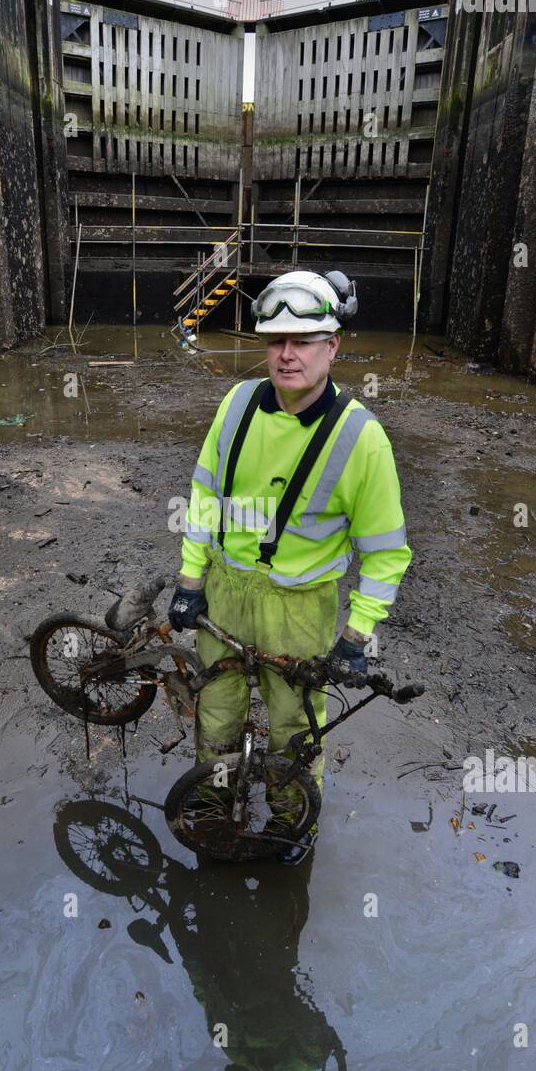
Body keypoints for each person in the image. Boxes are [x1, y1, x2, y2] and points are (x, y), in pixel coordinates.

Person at [168, 270, 412, 864]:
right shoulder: (236, 405)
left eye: (302, 341)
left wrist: (357, 635)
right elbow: (204, 499)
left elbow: (386, 551)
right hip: (226, 591)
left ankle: (290, 823)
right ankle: (211, 806)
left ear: (332, 346)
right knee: (217, 710)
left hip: (301, 607)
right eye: (275, 339)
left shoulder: (362, 439)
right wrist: (190, 580)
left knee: (293, 728)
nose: (285, 354)